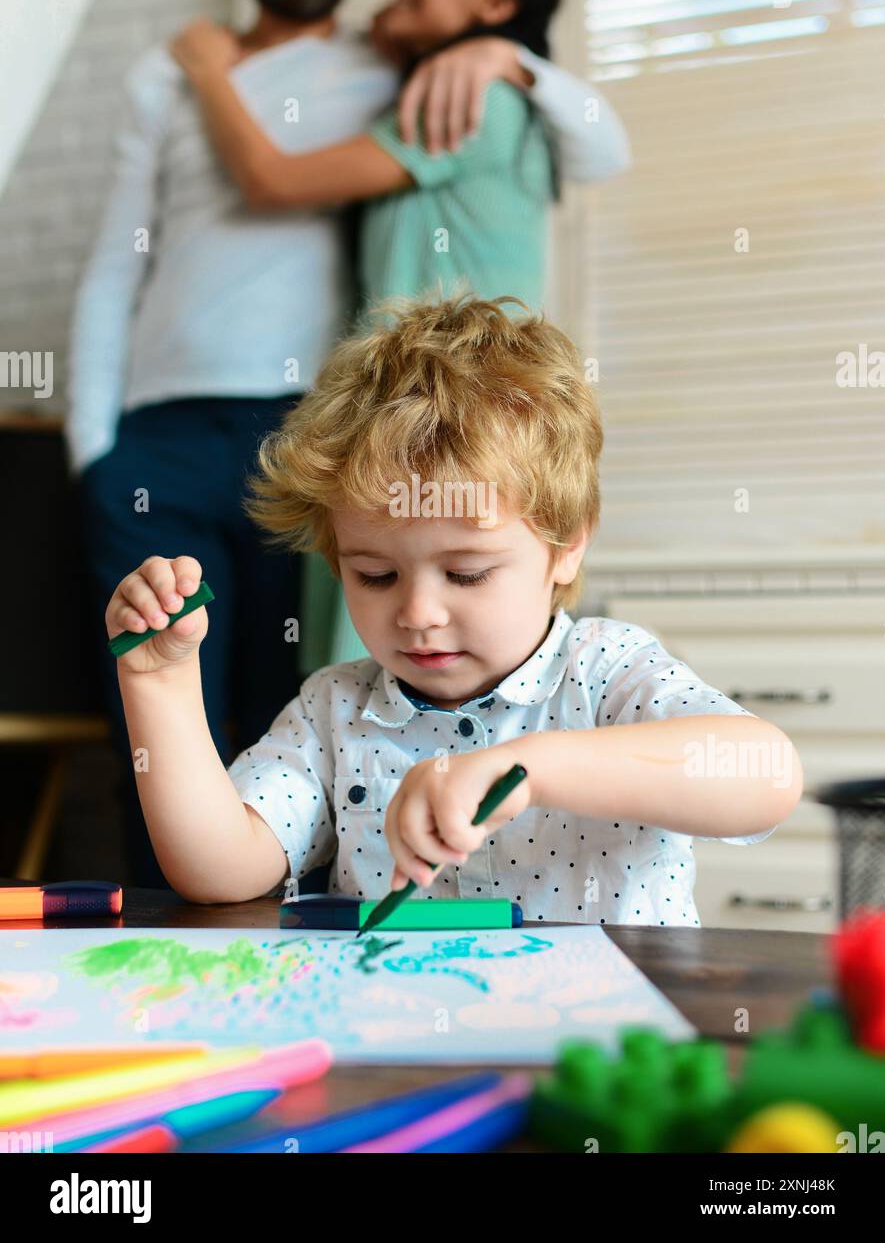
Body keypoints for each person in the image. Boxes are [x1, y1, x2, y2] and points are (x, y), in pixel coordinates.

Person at [67, 0, 627, 888]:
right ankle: (168, 962)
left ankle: (316, 936)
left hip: (330, 430)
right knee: (162, 702)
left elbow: (600, 146)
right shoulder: (173, 72)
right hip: (173, 434)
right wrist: (96, 451)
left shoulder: (407, 77)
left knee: (315, 698)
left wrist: (511, 57)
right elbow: (115, 263)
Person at [103, 293, 802, 925]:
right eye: (375, 575)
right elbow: (219, 872)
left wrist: (527, 769)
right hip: (406, 1044)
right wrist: (158, 683)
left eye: (465, 574)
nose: (418, 612)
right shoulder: (334, 709)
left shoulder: (605, 672)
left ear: (565, 547)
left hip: (606, 1048)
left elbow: (764, 776)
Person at [170, 0, 631, 676]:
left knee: (387, 673)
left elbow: (269, 179)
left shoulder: (473, 99)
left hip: (438, 435)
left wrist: (210, 72)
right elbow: (385, 31)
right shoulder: (450, 83)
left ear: (495, 2)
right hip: (414, 423)